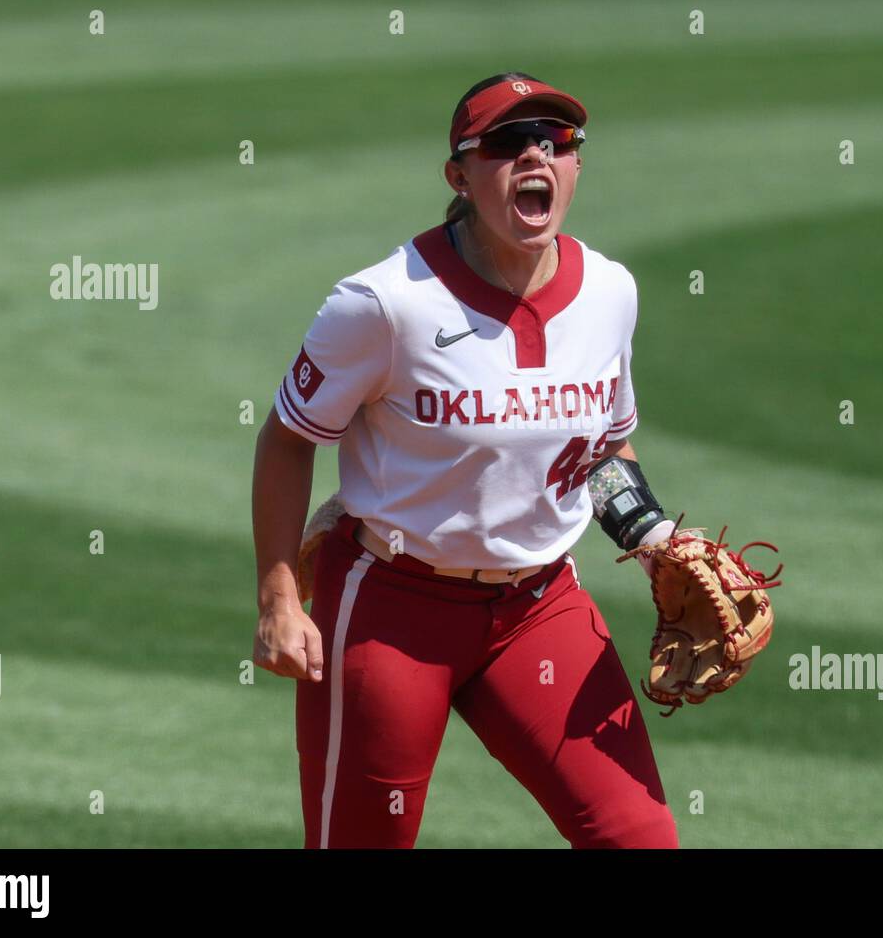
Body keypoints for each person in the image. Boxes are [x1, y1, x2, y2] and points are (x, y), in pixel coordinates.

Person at [251, 71, 680, 848]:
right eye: (508, 143)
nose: (535, 155)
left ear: (576, 166)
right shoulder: (385, 305)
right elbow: (287, 437)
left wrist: (651, 541)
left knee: (636, 836)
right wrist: (280, 598)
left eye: (556, 142)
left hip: (541, 609)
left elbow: (605, 445)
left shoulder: (609, 292)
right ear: (459, 174)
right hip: (392, 612)